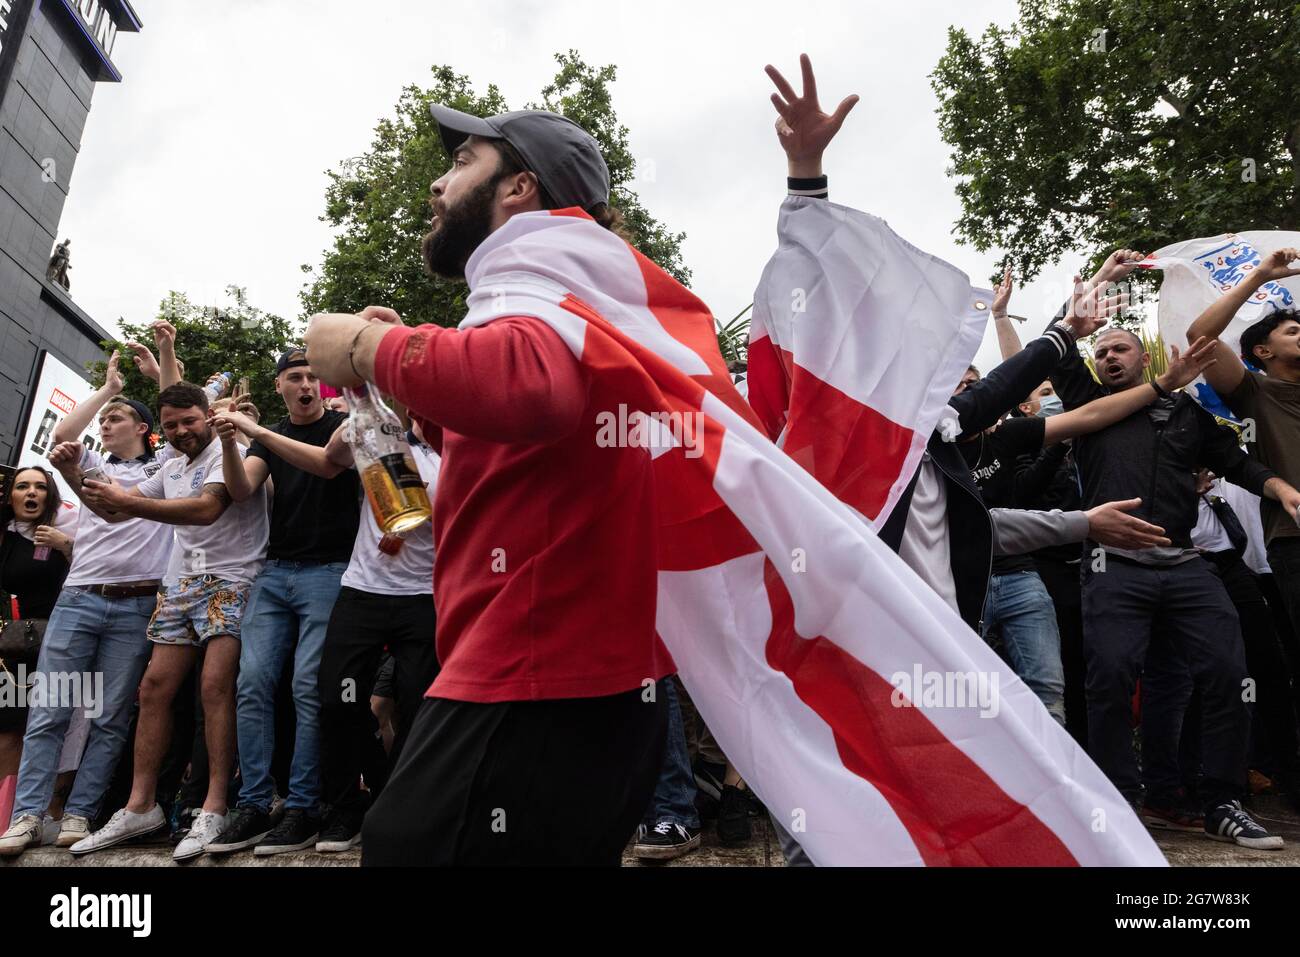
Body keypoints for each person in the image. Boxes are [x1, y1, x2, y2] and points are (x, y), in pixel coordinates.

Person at [303, 102, 678, 866]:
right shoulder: (575, 296)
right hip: (573, 687)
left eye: (462, 161)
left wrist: (371, 345)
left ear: (519, 189)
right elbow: (524, 441)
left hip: (535, 684)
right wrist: (413, 392)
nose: (438, 186)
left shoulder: (542, 291)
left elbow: (534, 389)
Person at [1047, 259, 1300, 848]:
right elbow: (1059, 348)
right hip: (1115, 569)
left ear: (1146, 360)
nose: (1110, 356)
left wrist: (1280, 487)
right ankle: (1119, 802)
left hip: (1186, 567)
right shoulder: (1086, 404)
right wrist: (1097, 288)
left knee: (1228, 675)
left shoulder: (1189, 413)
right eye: (1102, 351)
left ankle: (1218, 800)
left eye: (1122, 349)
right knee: (1110, 676)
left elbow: (1240, 461)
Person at [211, 403, 440, 854]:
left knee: (417, 706)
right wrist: (257, 430)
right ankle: (349, 803)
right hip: (362, 591)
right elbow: (324, 463)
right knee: (337, 700)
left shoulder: (466, 448)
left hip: (426, 597)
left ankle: (403, 808)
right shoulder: (376, 432)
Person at [959, 335, 1219, 723]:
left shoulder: (1008, 437)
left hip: (1023, 576)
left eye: (977, 384)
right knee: (962, 692)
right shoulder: (925, 448)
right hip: (960, 579)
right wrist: (1084, 521)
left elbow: (1089, 416)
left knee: (1049, 688)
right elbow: (997, 512)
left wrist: (1163, 385)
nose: (974, 392)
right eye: (963, 387)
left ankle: (1066, 774)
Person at [65, 382, 268, 861]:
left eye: (189, 421)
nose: (181, 431)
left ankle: (214, 806)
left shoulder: (230, 450)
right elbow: (113, 512)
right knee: (153, 689)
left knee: (215, 687)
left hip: (232, 580)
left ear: (206, 415)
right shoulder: (173, 467)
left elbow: (206, 509)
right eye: (171, 425)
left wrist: (132, 504)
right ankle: (140, 806)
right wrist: (71, 472)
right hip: (181, 586)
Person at [0, 353, 174, 858]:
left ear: (143, 427)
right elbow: (63, 440)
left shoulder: (165, 466)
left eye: (116, 416)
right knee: (50, 709)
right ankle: (29, 816)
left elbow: (179, 410)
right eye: (104, 419)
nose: (104, 423)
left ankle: (80, 813)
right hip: (78, 601)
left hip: (137, 604)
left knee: (109, 715)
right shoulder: (95, 464)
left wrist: (162, 365)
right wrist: (107, 388)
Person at [205, 349, 361, 856]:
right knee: (252, 685)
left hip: (329, 570)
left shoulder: (341, 425)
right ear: (279, 387)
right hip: (275, 572)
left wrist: (254, 433)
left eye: (314, 376)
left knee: (307, 688)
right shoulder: (266, 438)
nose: (306, 385)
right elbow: (242, 489)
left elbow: (328, 468)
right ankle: (253, 804)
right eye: (295, 377)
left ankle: (303, 807)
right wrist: (230, 443)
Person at [1185, 248, 1300, 639]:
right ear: (1263, 352)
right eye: (1293, 331)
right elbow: (1200, 337)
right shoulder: (1256, 392)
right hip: (1293, 537)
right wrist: (1260, 277)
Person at [0, 467, 77, 828]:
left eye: (40, 487)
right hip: (14, 652)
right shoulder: (6, 536)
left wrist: (65, 545)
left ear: (51, 496)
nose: (31, 493)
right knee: (11, 730)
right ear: (10, 495)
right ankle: (7, 816)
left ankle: (53, 815)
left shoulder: (69, 530)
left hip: (71, 642)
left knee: (69, 730)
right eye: (22, 486)